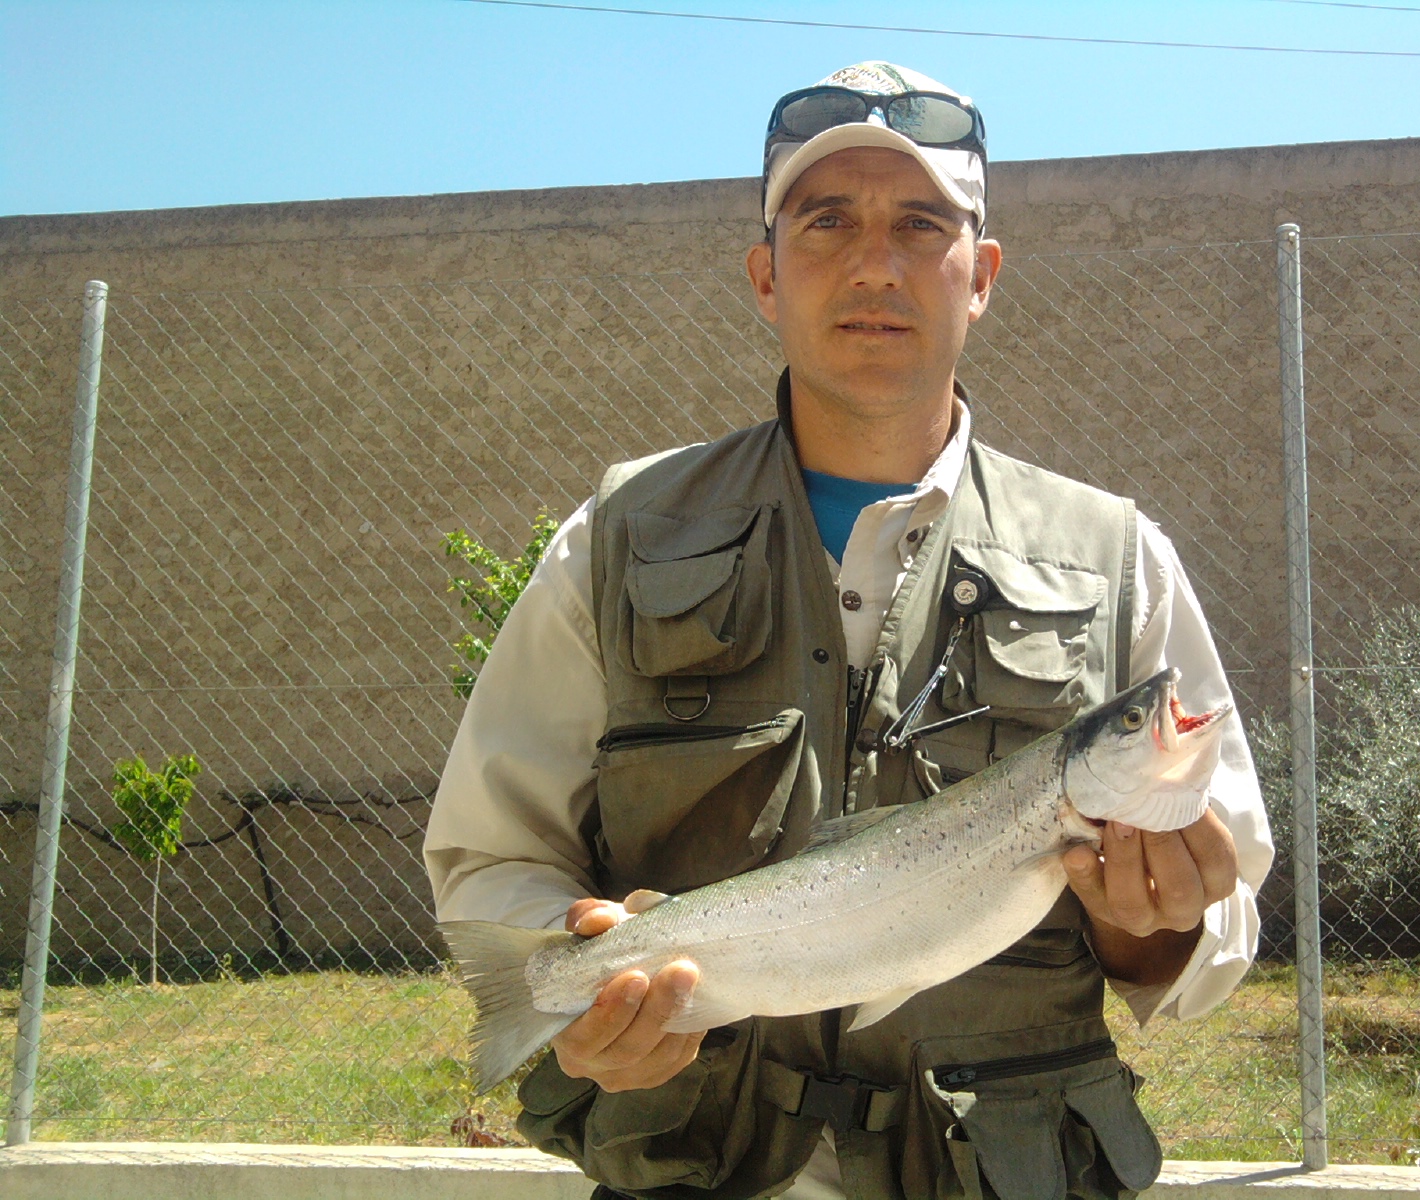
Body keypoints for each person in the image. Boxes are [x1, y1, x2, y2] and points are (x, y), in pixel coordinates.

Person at [426, 61, 1273, 1200]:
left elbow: (1216, 944)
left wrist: (1155, 932)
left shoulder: (1120, 558)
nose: (875, 263)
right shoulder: (612, 539)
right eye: (826, 222)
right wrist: (576, 975)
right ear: (765, 277)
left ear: (981, 277)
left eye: (923, 224)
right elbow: (493, 855)